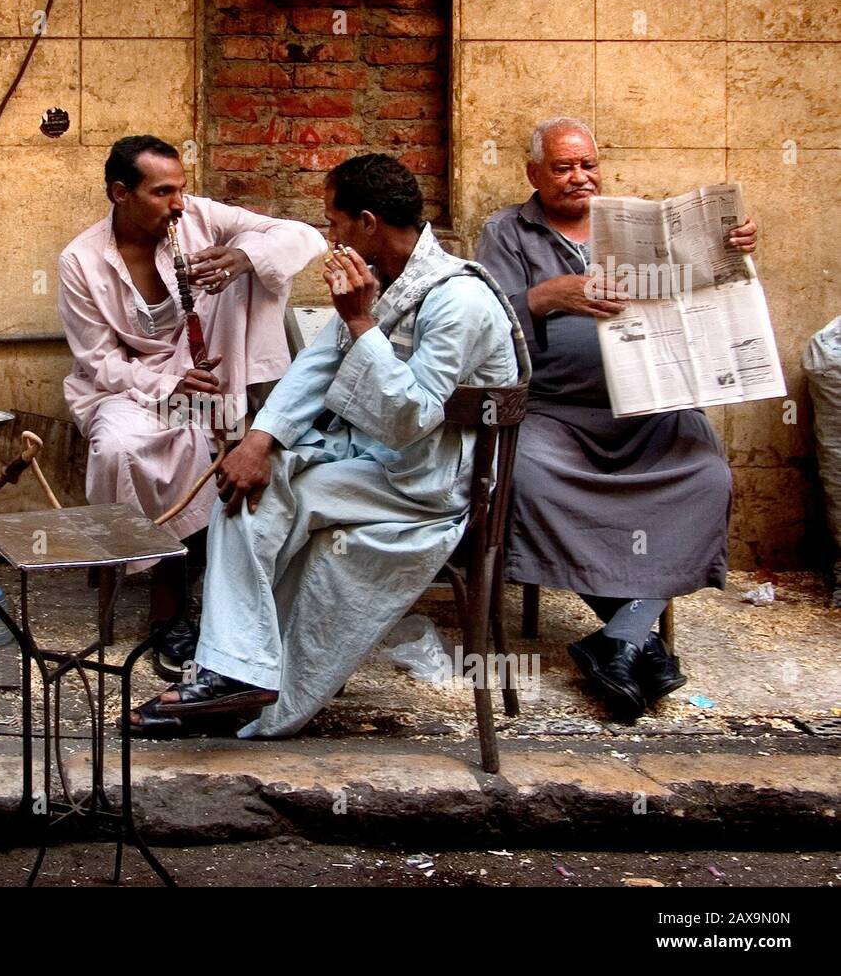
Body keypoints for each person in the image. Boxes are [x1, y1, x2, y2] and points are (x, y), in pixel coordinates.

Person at [128, 154, 519, 737]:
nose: (331, 238)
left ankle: (240, 684)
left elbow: (412, 417)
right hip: (373, 468)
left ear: (368, 223)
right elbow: (318, 365)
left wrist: (361, 324)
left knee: (264, 500)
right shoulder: (382, 281)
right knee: (244, 495)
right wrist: (259, 440)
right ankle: (235, 675)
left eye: (335, 223)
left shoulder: (459, 300)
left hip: (428, 487)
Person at [475, 116, 758, 719]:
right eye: (563, 167)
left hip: (650, 405)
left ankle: (619, 639)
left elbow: (704, 291)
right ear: (533, 173)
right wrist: (548, 296)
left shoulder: (634, 226)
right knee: (529, 478)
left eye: (588, 164)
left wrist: (730, 249)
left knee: (707, 474)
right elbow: (482, 325)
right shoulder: (508, 232)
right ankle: (633, 636)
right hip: (554, 412)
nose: (580, 176)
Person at [59, 135, 325, 676]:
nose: (178, 203)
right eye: (162, 192)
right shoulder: (80, 260)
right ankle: (170, 593)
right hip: (130, 389)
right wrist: (167, 386)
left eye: (181, 188)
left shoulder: (200, 217)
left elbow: (305, 236)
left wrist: (244, 257)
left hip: (217, 377)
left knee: (252, 264)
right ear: (120, 193)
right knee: (120, 447)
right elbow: (99, 361)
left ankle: (197, 604)